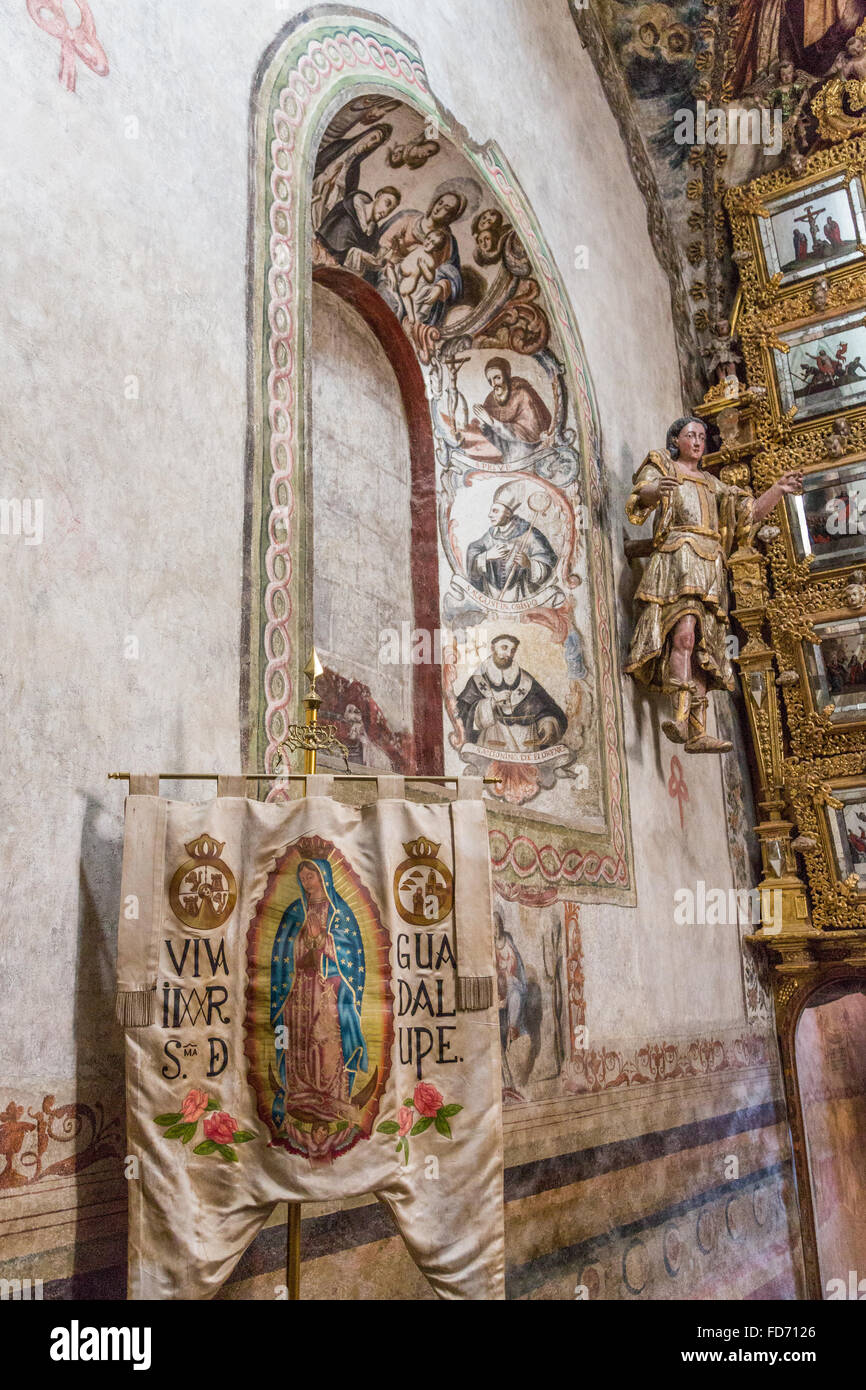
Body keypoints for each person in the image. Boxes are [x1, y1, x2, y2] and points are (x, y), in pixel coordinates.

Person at [625, 416, 802, 753]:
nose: (697, 442)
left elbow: (748, 514)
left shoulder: (713, 484)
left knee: (705, 646)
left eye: (703, 437)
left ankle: (697, 731)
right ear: (676, 439)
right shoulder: (664, 466)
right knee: (684, 634)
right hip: (679, 558)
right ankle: (679, 715)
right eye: (691, 435)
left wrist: (777, 490)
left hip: (710, 566)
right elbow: (640, 496)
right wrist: (655, 490)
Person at [270, 858, 367, 1130]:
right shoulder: (294, 912)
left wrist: (323, 939)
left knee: (325, 1041)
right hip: (298, 986)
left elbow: (351, 956)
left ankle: (330, 1097)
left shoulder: (340, 913)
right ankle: (299, 1094)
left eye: (311, 876)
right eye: (303, 877)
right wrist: (302, 942)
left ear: (323, 878)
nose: (306, 881)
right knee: (298, 1038)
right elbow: (281, 952)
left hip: (327, 989)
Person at [456, 634, 567, 754]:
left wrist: (548, 720)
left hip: (526, 744)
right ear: (493, 649)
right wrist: (491, 703)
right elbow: (462, 712)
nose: (508, 654)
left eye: (512, 650)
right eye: (504, 648)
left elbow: (545, 706)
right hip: (492, 743)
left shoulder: (525, 679)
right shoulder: (478, 679)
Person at [376, 189, 466, 324]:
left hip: (419, 289)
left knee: (418, 310)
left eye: (446, 208)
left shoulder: (448, 242)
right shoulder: (409, 219)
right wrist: (388, 265)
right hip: (392, 273)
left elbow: (452, 274)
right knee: (387, 301)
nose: (439, 208)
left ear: (451, 216)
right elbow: (383, 244)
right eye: (439, 203)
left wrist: (440, 287)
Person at [465, 484, 557, 602]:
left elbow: (548, 566)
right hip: (491, 595)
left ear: (508, 514)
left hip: (521, 595)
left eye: (495, 511)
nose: (490, 515)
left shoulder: (530, 534)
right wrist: (487, 556)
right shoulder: (491, 534)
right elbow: (473, 551)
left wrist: (529, 564)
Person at [458, 358, 553, 464]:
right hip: (504, 455)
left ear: (506, 375)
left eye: (497, 378)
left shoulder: (522, 394)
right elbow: (490, 434)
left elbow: (529, 433)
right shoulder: (491, 398)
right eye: (490, 381)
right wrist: (479, 427)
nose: (494, 384)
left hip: (524, 454)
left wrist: (491, 422)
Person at [317, 185, 401, 275]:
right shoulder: (347, 211)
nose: (385, 211)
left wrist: (386, 254)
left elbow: (370, 262)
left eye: (391, 210)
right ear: (378, 196)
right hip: (320, 262)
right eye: (387, 203)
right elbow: (332, 244)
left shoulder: (373, 232)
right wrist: (361, 255)